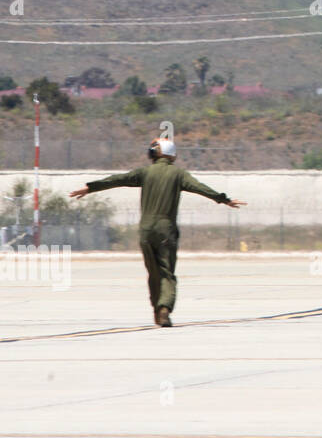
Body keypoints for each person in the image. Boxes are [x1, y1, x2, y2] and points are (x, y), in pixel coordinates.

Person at [70, 137, 244, 327]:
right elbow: (200, 188)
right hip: (165, 230)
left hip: (145, 231)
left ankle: (156, 310)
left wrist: (90, 188)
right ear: (172, 155)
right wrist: (224, 199)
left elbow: (118, 179)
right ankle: (164, 308)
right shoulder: (178, 174)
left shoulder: (145, 173)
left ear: (154, 153)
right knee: (166, 273)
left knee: (153, 273)